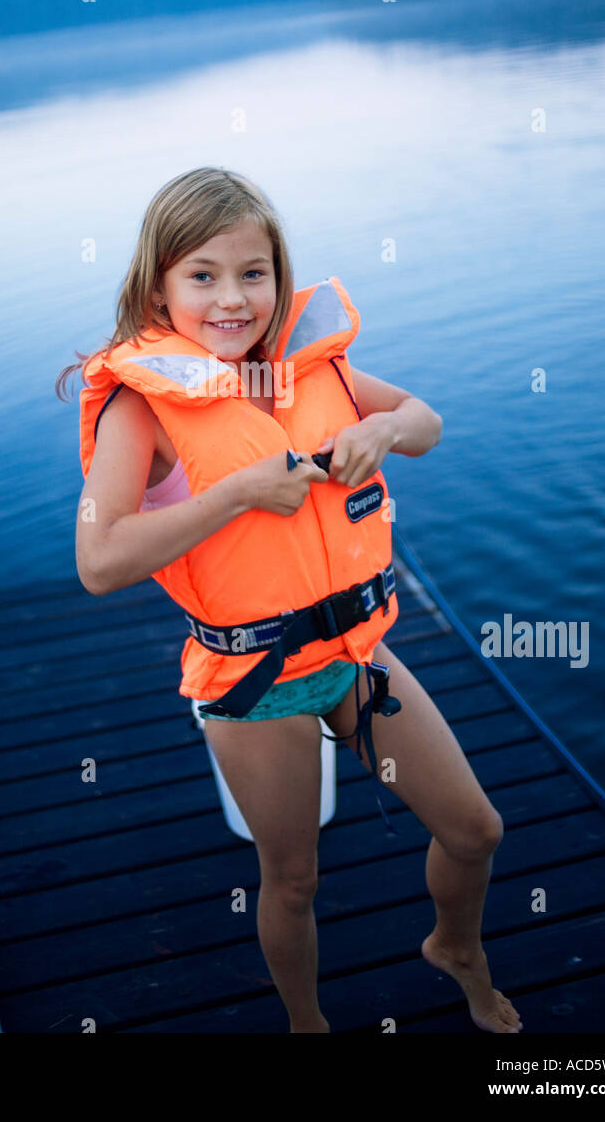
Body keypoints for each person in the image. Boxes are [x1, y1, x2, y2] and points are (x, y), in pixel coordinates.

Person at [57, 166, 522, 1036]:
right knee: (293, 879)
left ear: (279, 274)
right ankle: (308, 1023)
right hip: (252, 683)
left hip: (354, 657)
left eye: (253, 273)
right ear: (159, 284)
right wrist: (235, 494)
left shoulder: (304, 366)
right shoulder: (139, 407)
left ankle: (456, 947)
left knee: (476, 830)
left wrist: (379, 429)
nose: (232, 300)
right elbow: (98, 559)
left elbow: (427, 421)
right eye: (203, 276)